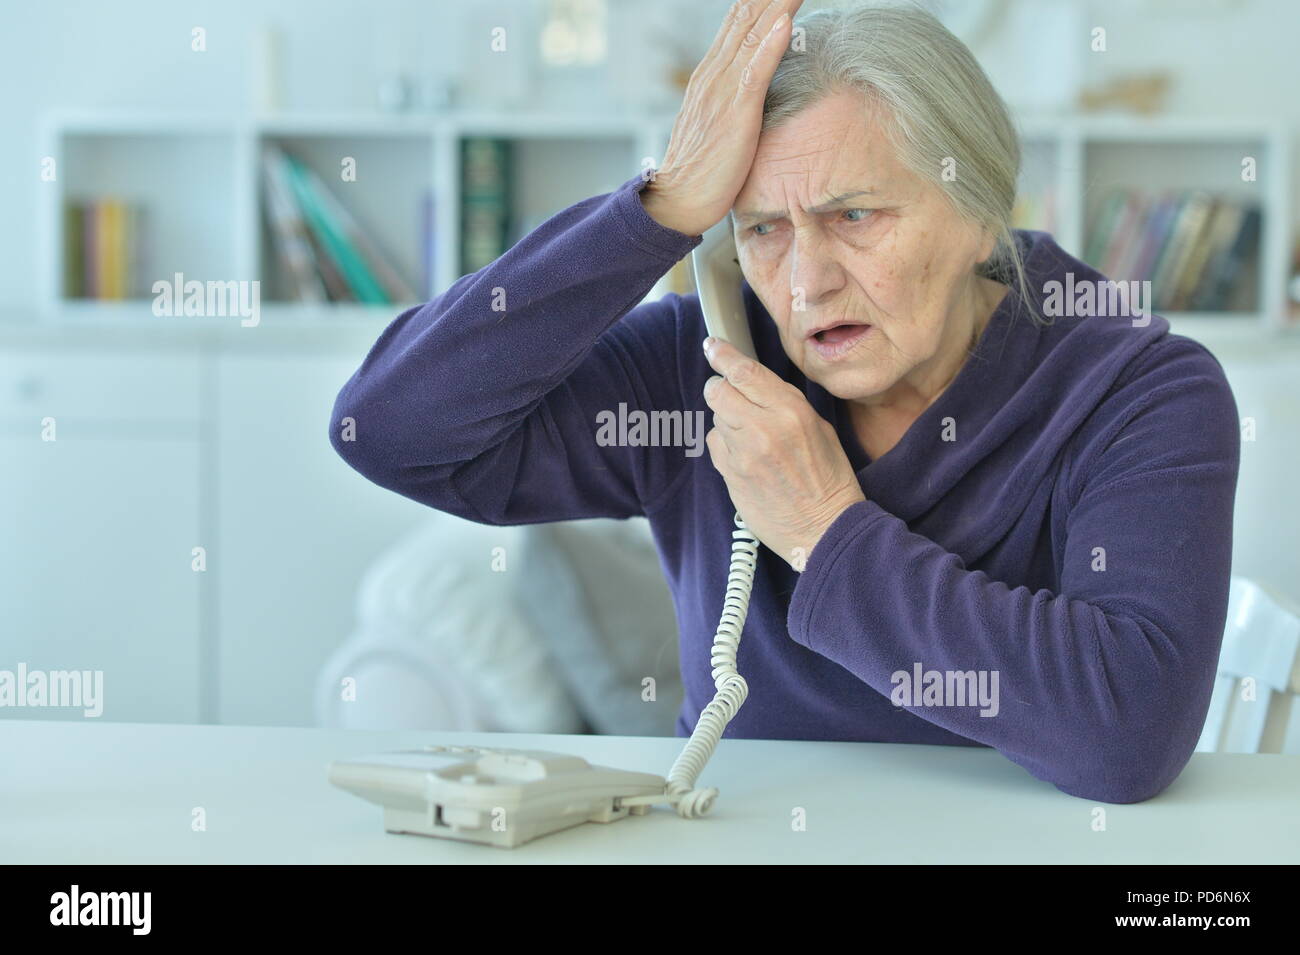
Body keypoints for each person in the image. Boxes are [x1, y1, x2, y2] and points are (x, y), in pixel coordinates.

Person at [330, 0, 1240, 804]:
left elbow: (1130, 730)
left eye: (854, 216)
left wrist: (822, 529)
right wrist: (659, 210)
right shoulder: (704, 372)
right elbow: (388, 429)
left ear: (978, 213)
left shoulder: (1142, 394)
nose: (805, 283)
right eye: (762, 230)